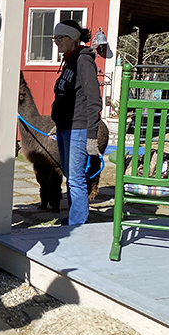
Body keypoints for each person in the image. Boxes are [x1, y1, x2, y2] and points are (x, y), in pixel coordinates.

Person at [51, 19, 102, 226]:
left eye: (60, 38)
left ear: (72, 38)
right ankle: (75, 218)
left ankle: (78, 224)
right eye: (54, 38)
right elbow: (66, 97)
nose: (56, 42)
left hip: (79, 129)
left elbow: (93, 99)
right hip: (66, 128)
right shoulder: (69, 60)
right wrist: (59, 122)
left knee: (76, 180)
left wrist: (92, 135)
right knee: (70, 178)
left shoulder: (83, 61)